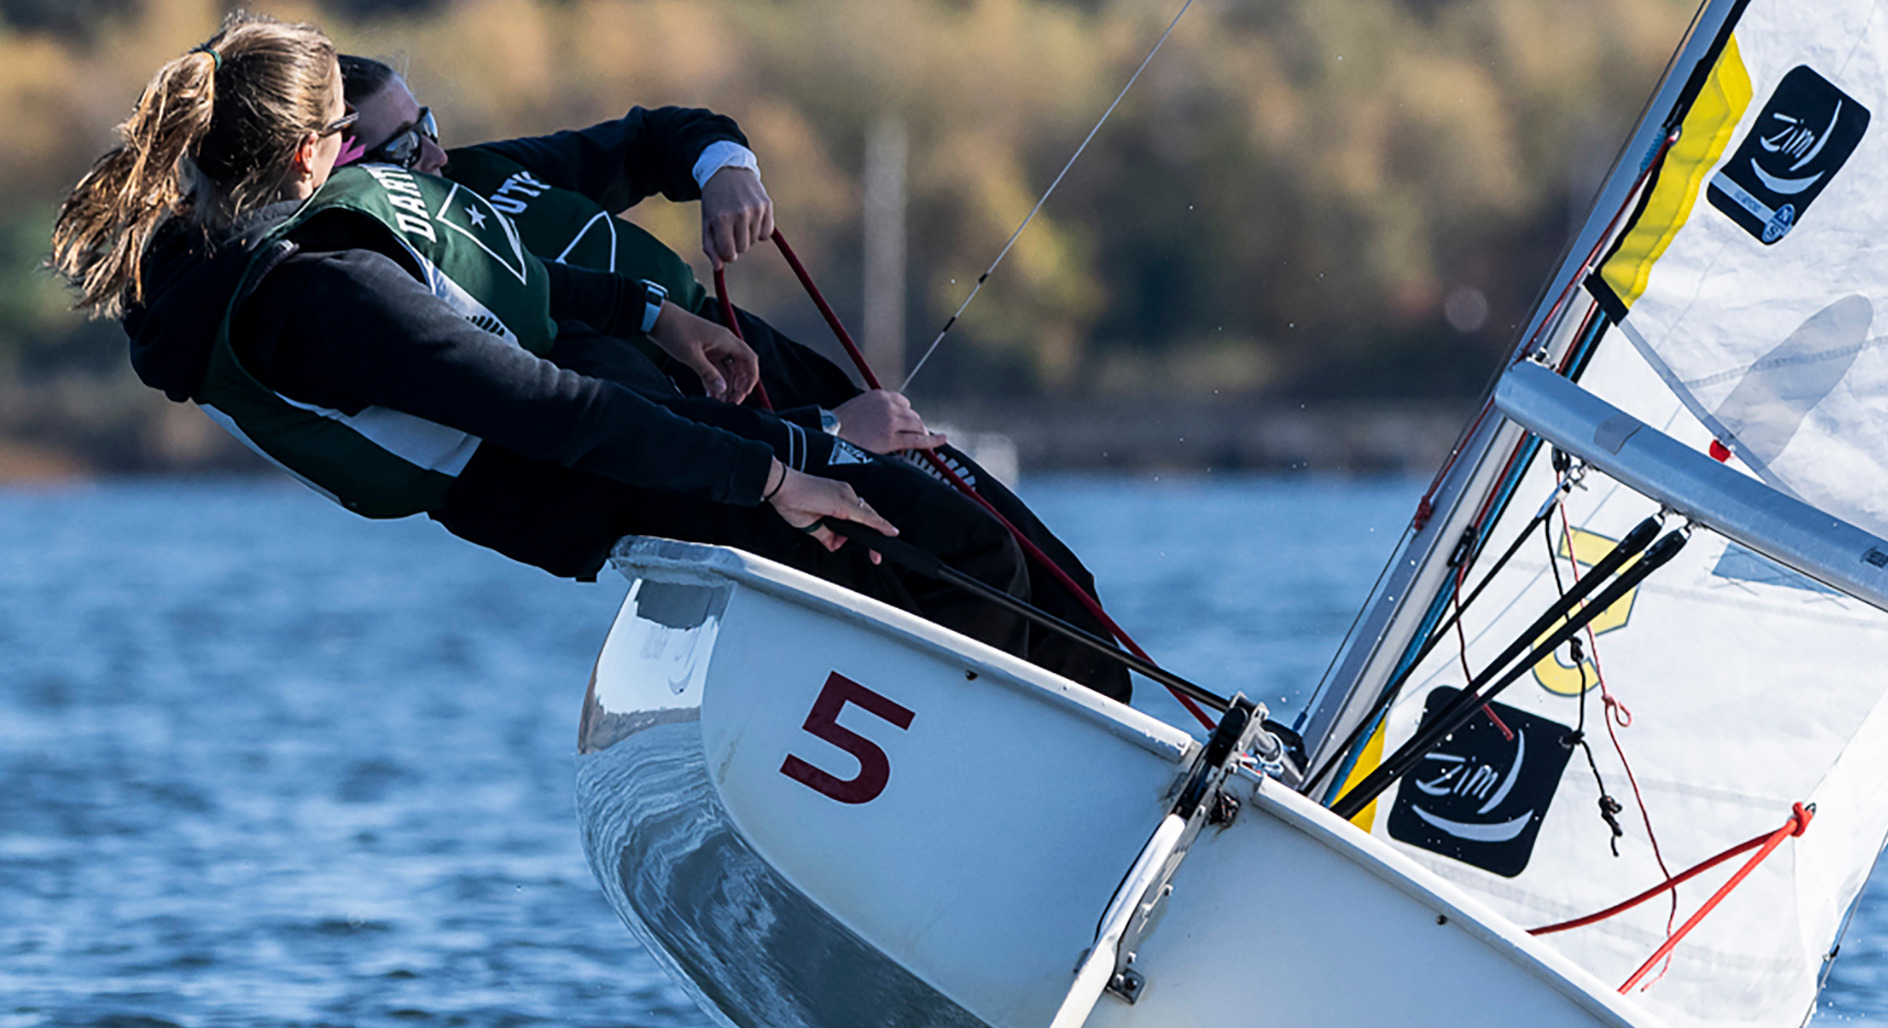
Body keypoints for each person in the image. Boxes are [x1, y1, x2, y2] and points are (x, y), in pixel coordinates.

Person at [50, 13, 1129, 701]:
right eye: (365, 141)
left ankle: (1141, 764)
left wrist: (658, 311)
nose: (423, 156)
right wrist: (794, 456)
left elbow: (508, 283)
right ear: (307, 157)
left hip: (670, 422)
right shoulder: (323, 292)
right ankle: (1043, 797)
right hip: (615, 473)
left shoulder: (350, 233)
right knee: (961, 553)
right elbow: (549, 405)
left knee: (1011, 554)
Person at [337, 56, 1126, 698]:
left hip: (761, 358)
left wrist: (724, 168)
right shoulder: (438, 291)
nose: (435, 156)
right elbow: (620, 416)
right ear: (358, 175)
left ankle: (1137, 800)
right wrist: (829, 432)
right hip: (728, 445)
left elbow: (652, 138)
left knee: (1064, 589)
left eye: (428, 126)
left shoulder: (486, 172)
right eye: (406, 150)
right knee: (974, 557)